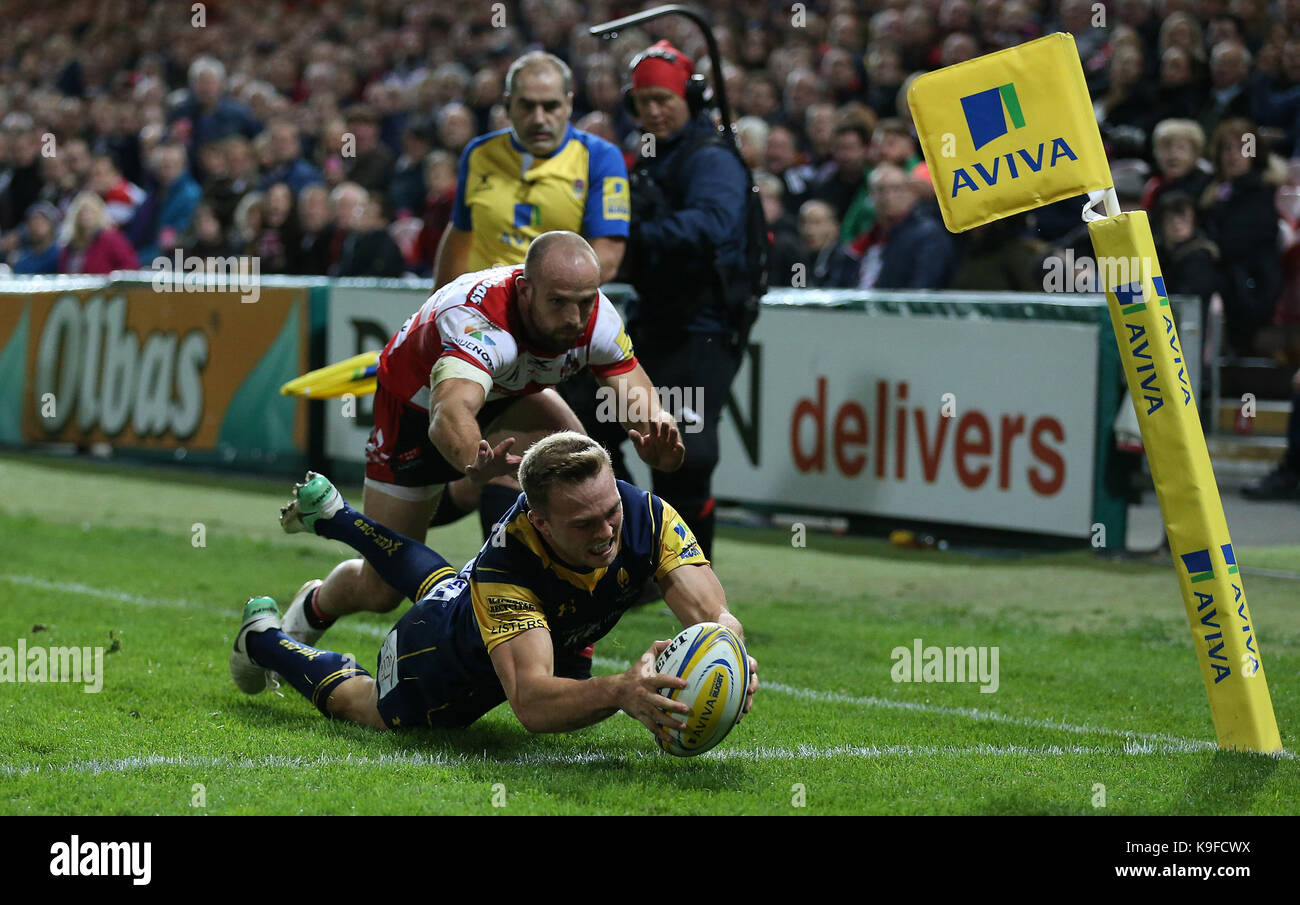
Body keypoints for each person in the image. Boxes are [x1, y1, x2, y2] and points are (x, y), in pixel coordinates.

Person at [280, 231, 684, 647]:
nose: (574, 319)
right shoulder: (480, 322)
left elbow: (645, 409)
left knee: (580, 472)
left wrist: (660, 444)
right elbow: (447, 416)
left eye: (585, 301)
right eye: (559, 302)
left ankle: (559, 614)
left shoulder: (597, 317)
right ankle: (313, 605)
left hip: (508, 395)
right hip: (415, 412)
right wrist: (476, 462)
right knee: (381, 589)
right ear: (526, 292)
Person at [229, 433, 758, 736]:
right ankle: (262, 639)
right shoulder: (508, 570)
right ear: (541, 523)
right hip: (443, 652)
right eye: (584, 525)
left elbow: (715, 614)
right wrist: (621, 691)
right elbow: (531, 703)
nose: (606, 533)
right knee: (369, 707)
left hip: (494, 602)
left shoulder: (648, 514)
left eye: (610, 511)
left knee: (441, 580)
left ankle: (336, 517)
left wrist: (730, 651)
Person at [616, 39, 763, 560]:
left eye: (664, 99)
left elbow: (714, 226)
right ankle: (628, 557)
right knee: (592, 419)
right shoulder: (655, 155)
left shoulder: (710, 159)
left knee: (687, 451)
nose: (653, 111)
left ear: (690, 99)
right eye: (643, 101)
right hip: (656, 318)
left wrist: (634, 233)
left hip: (702, 324)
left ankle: (691, 573)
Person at [432, 51, 629, 290]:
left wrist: (534, 295)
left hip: (559, 307)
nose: (538, 118)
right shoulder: (478, 154)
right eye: (526, 106)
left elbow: (607, 259)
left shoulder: (600, 157)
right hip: (483, 312)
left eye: (550, 106)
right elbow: (460, 236)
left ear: (568, 104)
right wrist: (438, 306)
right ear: (507, 105)